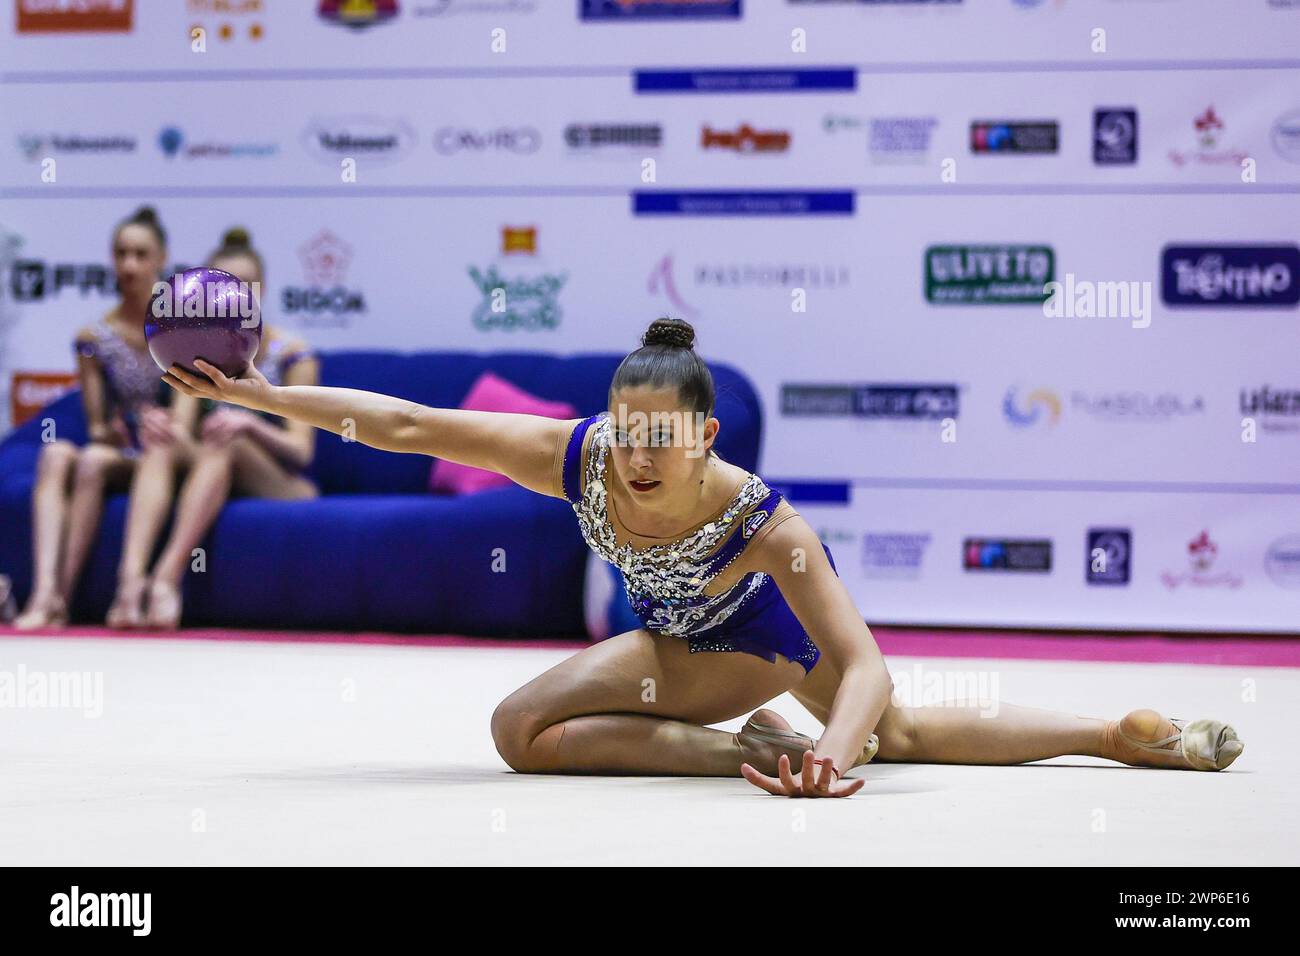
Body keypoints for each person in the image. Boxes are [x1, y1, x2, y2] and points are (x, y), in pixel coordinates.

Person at [160, 316, 1245, 797]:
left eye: (660, 438)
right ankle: (1113, 733)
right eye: (623, 430)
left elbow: (862, 666)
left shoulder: (767, 524)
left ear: (705, 439)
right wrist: (259, 392)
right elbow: (402, 422)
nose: (635, 454)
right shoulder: (572, 455)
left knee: (884, 725)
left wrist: (839, 753)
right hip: (673, 642)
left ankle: (768, 749)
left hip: (754, 647)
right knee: (523, 732)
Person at [113, 227, 318, 629]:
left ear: (259, 291)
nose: (228, 297)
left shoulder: (292, 353)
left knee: (229, 439)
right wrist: (158, 423)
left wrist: (249, 422)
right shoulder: (194, 354)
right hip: (211, 469)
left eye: (241, 286)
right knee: (161, 444)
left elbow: (301, 451)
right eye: (219, 287)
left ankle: (168, 578)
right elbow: (182, 435)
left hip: (282, 481)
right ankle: (130, 584)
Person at [15, 206, 200, 630]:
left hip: (174, 450)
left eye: (140, 253)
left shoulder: (184, 329)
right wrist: (115, 429)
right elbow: (97, 424)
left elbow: (185, 420)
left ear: (161, 258)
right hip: (128, 449)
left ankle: (95, 591)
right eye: (121, 253)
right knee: (58, 454)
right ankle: (47, 594)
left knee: (118, 455)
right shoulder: (93, 337)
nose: (129, 264)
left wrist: (159, 423)